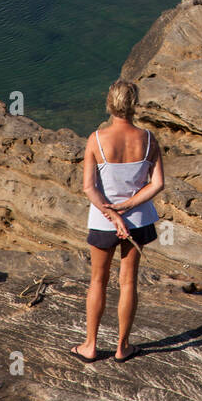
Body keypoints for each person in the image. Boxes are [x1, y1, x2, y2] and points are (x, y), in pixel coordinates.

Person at [70, 79, 165, 364]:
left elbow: (89, 187)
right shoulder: (148, 139)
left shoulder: (96, 139)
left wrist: (112, 213)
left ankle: (90, 346)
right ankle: (123, 347)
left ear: (109, 103)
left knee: (98, 281)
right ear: (134, 104)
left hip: (102, 221)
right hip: (138, 220)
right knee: (128, 283)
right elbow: (157, 184)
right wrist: (127, 207)